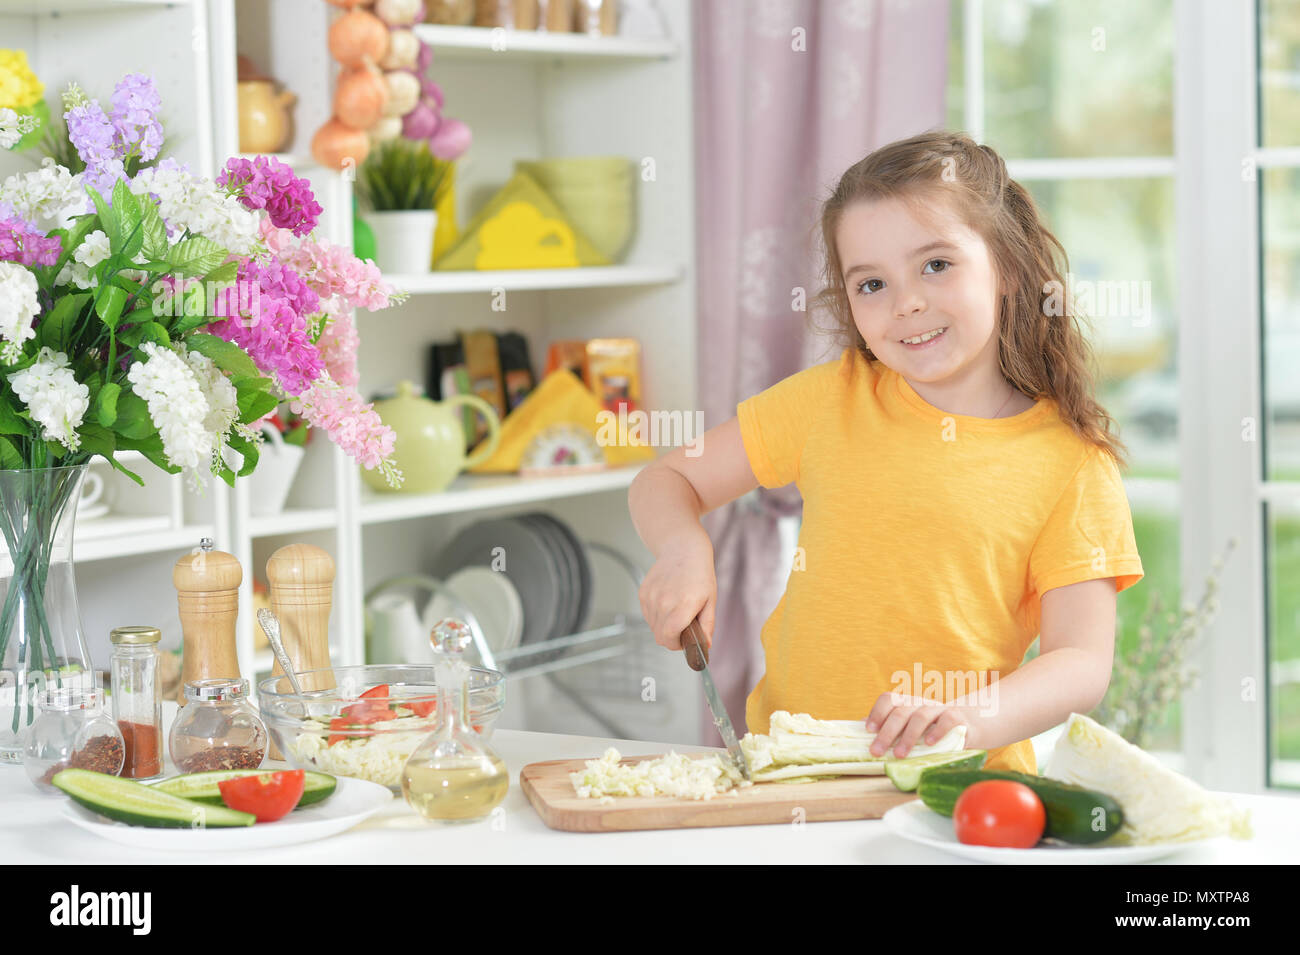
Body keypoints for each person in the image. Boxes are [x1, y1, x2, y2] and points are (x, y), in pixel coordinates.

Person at [627, 130, 1145, 773]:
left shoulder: (1072, 465)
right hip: (793, 775)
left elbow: (1081, 664)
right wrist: (684, 548)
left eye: (936, 265)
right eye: (871, 284)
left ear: (1008, 269)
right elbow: (670, 478)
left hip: (960, 792)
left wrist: (963, 718)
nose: (907, 303)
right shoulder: (832, 398)